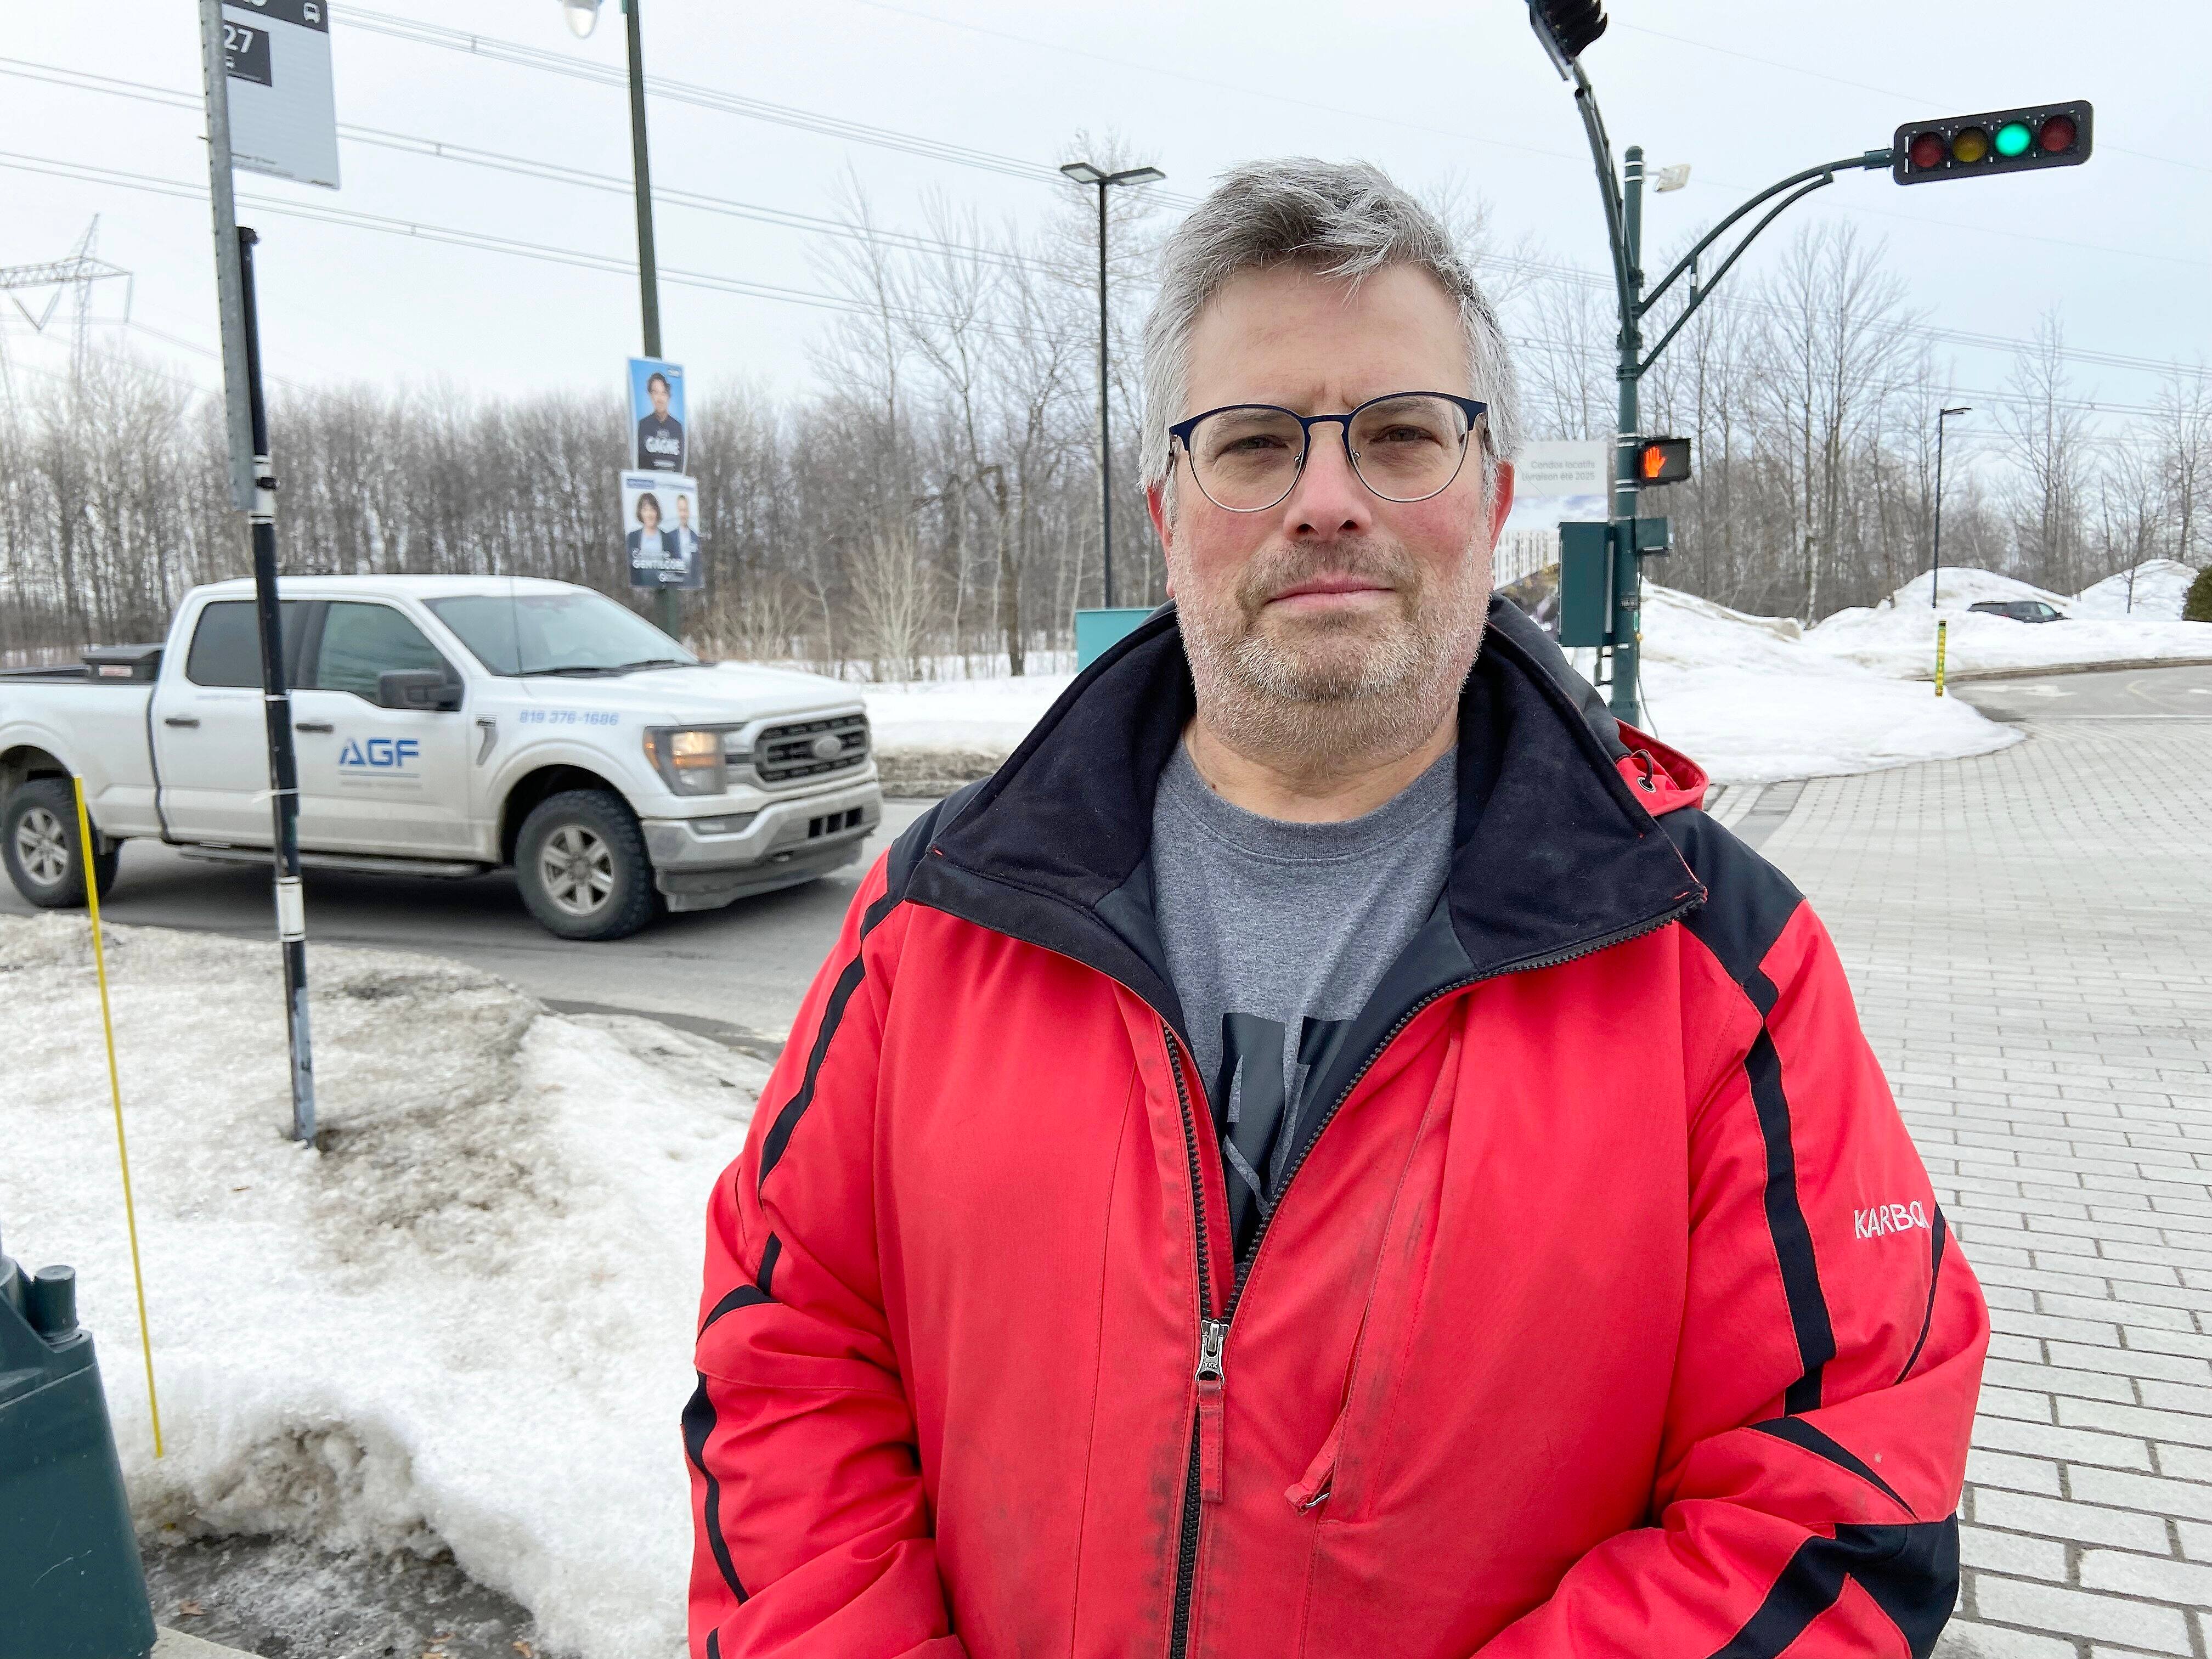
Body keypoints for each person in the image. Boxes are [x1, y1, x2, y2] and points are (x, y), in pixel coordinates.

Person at [687, 159, 1987, 1659]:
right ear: (1168, 512)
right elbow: (788, 1358)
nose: (1325, 501)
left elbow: (1833, 1490)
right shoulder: (938, 923)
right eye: (1251, 445)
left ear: (1493, 500)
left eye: (1398, 437)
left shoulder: (1716, 961)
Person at [638, 370, 686, 472]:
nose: (660, 399)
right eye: (655, 393)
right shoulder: (643, 425)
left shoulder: (677, 427)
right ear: (650, 396)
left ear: (669, 396)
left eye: (663, 393)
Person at [625, 492, 668, 576]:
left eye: (652, 509)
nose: (649, 514)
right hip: (638, 587)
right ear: (640, 513)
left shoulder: (668, 539)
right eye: (645, 510)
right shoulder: (632, 538)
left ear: (657, 512)